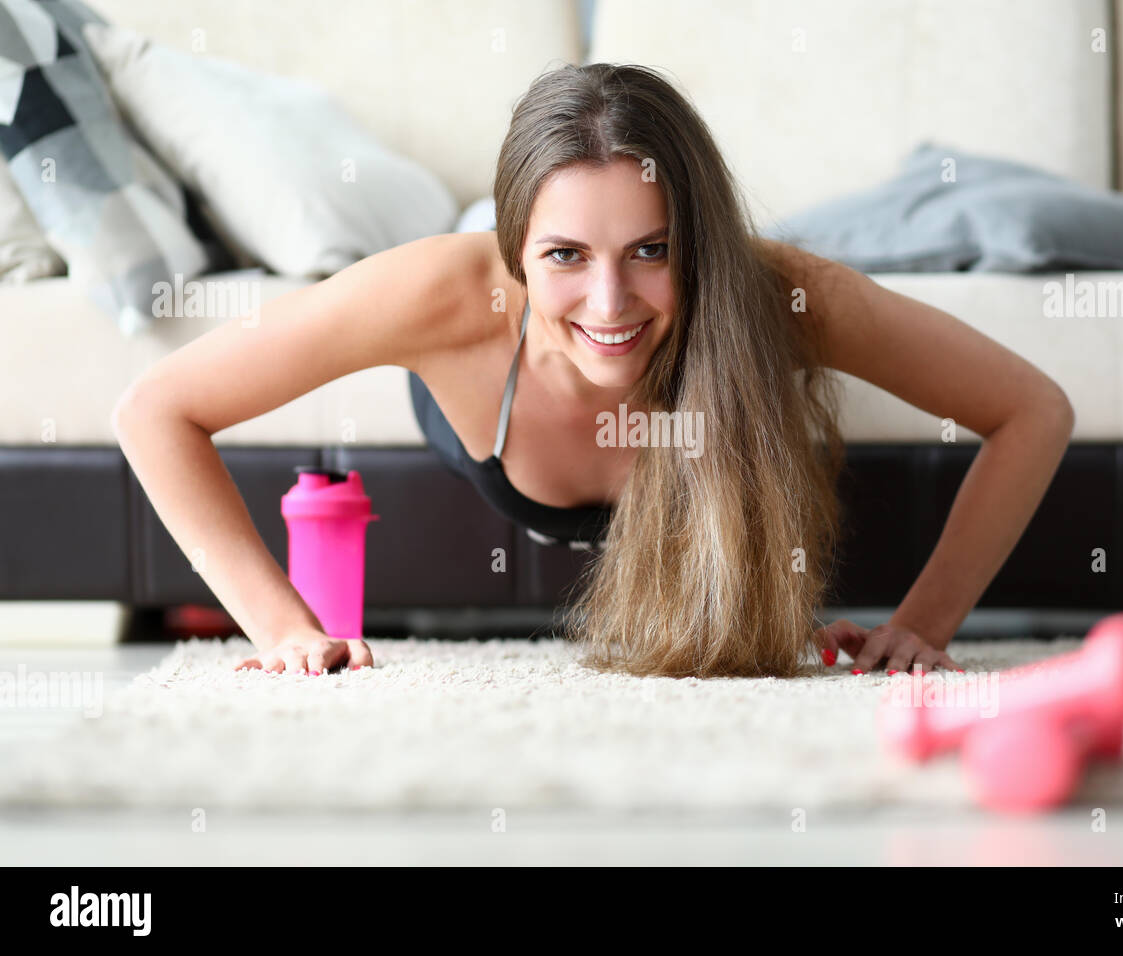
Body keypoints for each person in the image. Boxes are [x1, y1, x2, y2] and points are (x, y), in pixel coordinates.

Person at [112, 63, 1074, 679]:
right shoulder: (439, 295)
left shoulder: (779, 297)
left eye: (652, 251)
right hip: (482, 388)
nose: (611, 305)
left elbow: (1032, 408)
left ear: (698, 244)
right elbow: (158, 409)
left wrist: (926, 622)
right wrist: (280, 625)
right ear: (517, 253)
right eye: (566, 255)